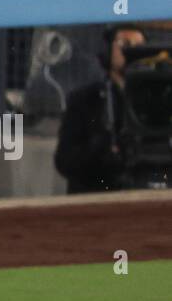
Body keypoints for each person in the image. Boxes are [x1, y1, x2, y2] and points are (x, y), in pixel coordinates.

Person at [54, 26, 146, 194]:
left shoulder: (155, 99)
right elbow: (64, 161)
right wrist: (97, 149)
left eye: (138, 46)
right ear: (109, 51)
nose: (132, 52)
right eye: (124, 44)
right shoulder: (84, 100)